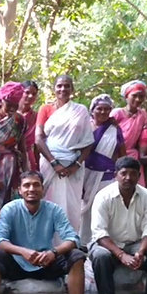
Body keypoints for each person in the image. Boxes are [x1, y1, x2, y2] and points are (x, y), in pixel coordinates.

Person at [0, 171, 86, 294]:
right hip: (17, 263)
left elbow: (73, 239)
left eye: (36, 185)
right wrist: (23, 252)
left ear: (42, 189)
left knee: (76, 255)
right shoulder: (10, 209)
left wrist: (53, 253)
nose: (31, 189)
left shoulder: (54, 210)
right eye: (27, 185)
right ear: (19, 190)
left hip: (46, 262)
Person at [88, 157, 147, 294]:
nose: (128, 178)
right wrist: (121, 255)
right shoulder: (103, 197)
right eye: (123, 173)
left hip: (136, 245)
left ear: (139, 176)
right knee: (100, 256)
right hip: (108, 246)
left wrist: (141, 252)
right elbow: (99, 233)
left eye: (133, 173)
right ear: (115, 175)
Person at [36, 75, 93, 234]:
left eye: (67, 86)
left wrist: (76, 164)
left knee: (71, 205)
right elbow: (39, 139)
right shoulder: (45, 109)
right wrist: (55, 163)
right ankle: (46, 240)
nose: (63, 89)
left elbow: (88, 142)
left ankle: (67, 242)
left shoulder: (80, 110)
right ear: (54, 89)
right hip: (49, 163)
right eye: (59, 86)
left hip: (73, 166)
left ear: (72, 89)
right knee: (47, 200)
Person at [80, 94, 126, 245]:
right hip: (84, 174)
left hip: (106, 177)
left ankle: (102, 242)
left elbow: (121, 154)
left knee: (103, 208)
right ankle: (83, 242)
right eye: (99, 108)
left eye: (107, 109)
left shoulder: (114, 130)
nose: (103, 112)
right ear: (92, 110)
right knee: (83, 211)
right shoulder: (83, 125)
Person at [110, 80, 147, 183]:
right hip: (114, 154)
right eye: (134, 95)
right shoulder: (117, 113)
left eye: (141, 96)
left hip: (132, 156)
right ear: (127, 96)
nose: (138, 99)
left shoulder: (143, 114)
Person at [19, 80, 40, 172]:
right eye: (27, 92)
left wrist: (38, 165)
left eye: (34, 94)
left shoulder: (36, 117)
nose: (30, 96)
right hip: (7, 156)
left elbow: (37, 144)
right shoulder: (9, 113)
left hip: (28, 157)